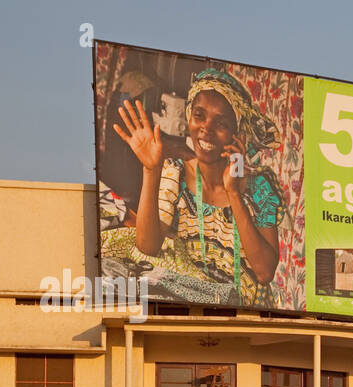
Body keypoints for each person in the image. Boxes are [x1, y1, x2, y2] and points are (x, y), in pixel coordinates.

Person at [109, 67, 283, 306]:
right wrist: (152, 169)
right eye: (199, 115)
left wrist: (234, 193)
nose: (206, 129)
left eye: (220, 122)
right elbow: (147, 246)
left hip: (246, 317)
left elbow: (264, 273)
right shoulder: (176, 173)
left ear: (237, 133)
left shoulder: (259, 188)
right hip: (193, 307)